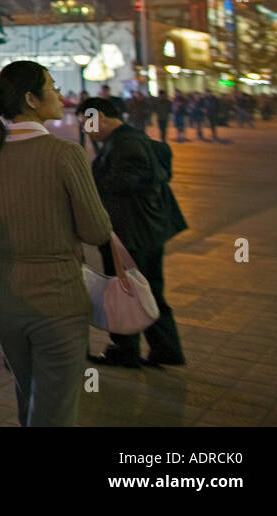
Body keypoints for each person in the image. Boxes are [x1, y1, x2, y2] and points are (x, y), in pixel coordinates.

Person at [0, 61, 113, 427]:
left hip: (4, 300)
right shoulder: (65, 154)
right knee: (55, 409)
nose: (60, 94)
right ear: (31, 99)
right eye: (52, 86)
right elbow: (97, 230)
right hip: (57, 300)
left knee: (29, 394)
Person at [83, 97, 187, 369]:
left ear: (102, 117)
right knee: (148, 290)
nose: (87, 130)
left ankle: (125, 351)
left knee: (124, 291)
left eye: (88, 122)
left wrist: (90, 182)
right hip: (145, 231)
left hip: (131, 233)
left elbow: (127, 180)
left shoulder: (125, 143)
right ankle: (166, 349)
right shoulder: (129, 139)